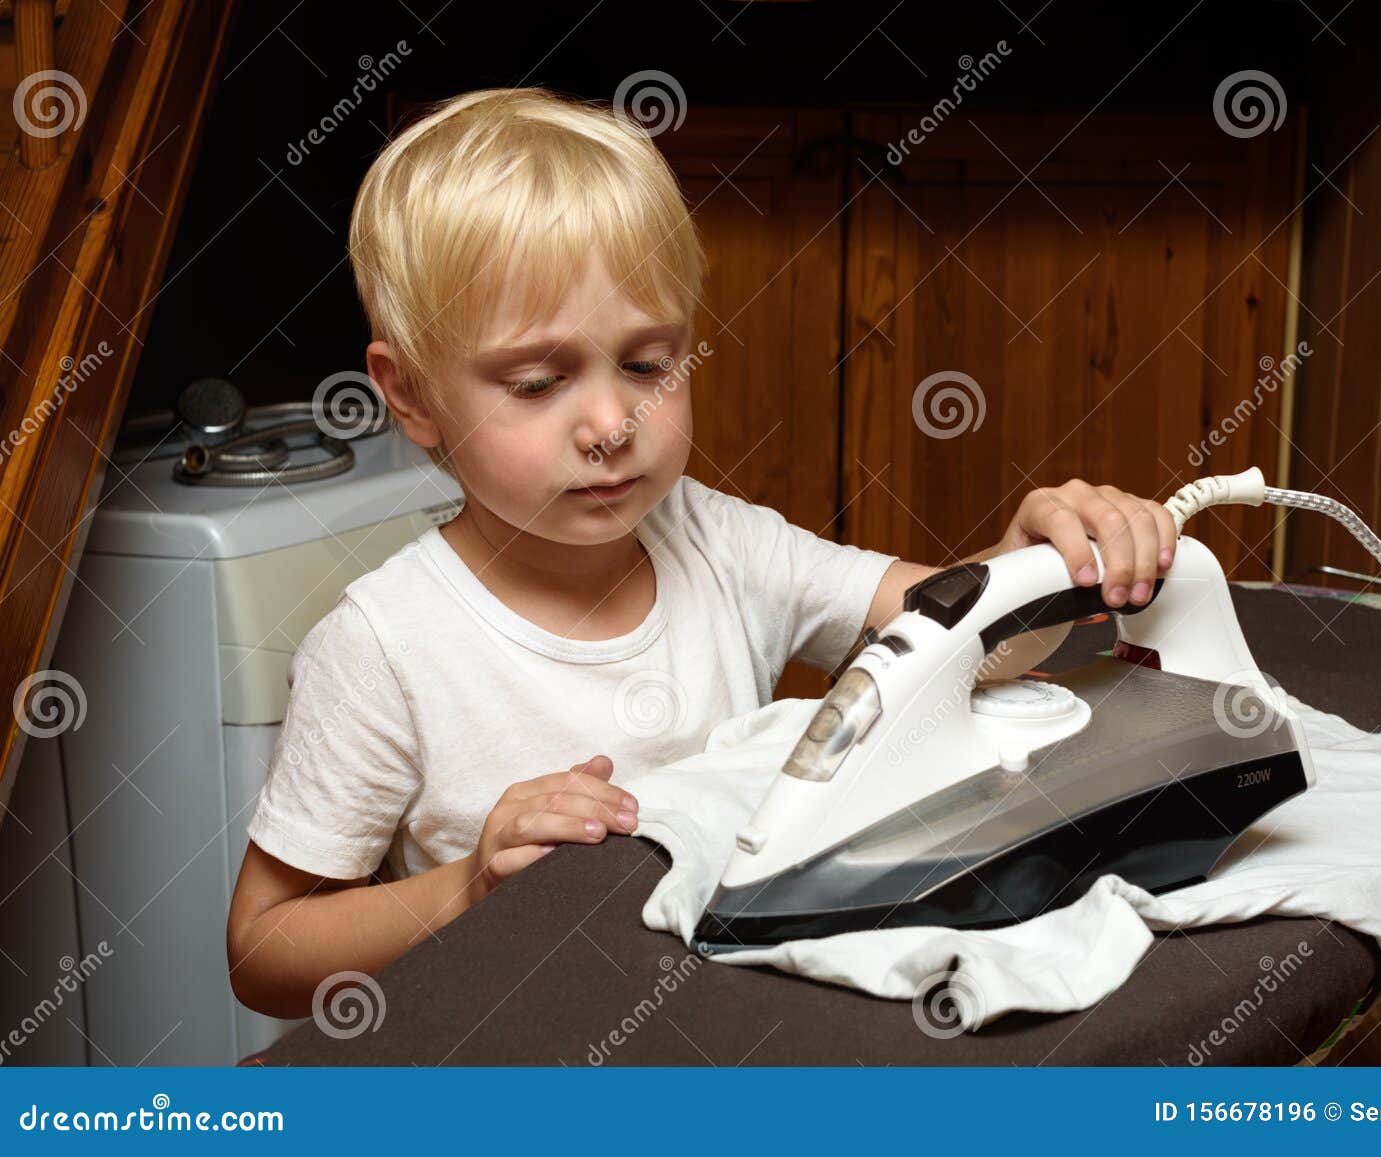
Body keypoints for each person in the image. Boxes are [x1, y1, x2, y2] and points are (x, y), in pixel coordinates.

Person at [226, 87, 1175, 1019]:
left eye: (647, 365)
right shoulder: (382, 648)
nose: (611, 423)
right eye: (538, 380)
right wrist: (468, 884)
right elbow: (264, 951)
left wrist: (1034, 560)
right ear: (413, 394)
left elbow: (962, 636)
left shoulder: (718, 539)